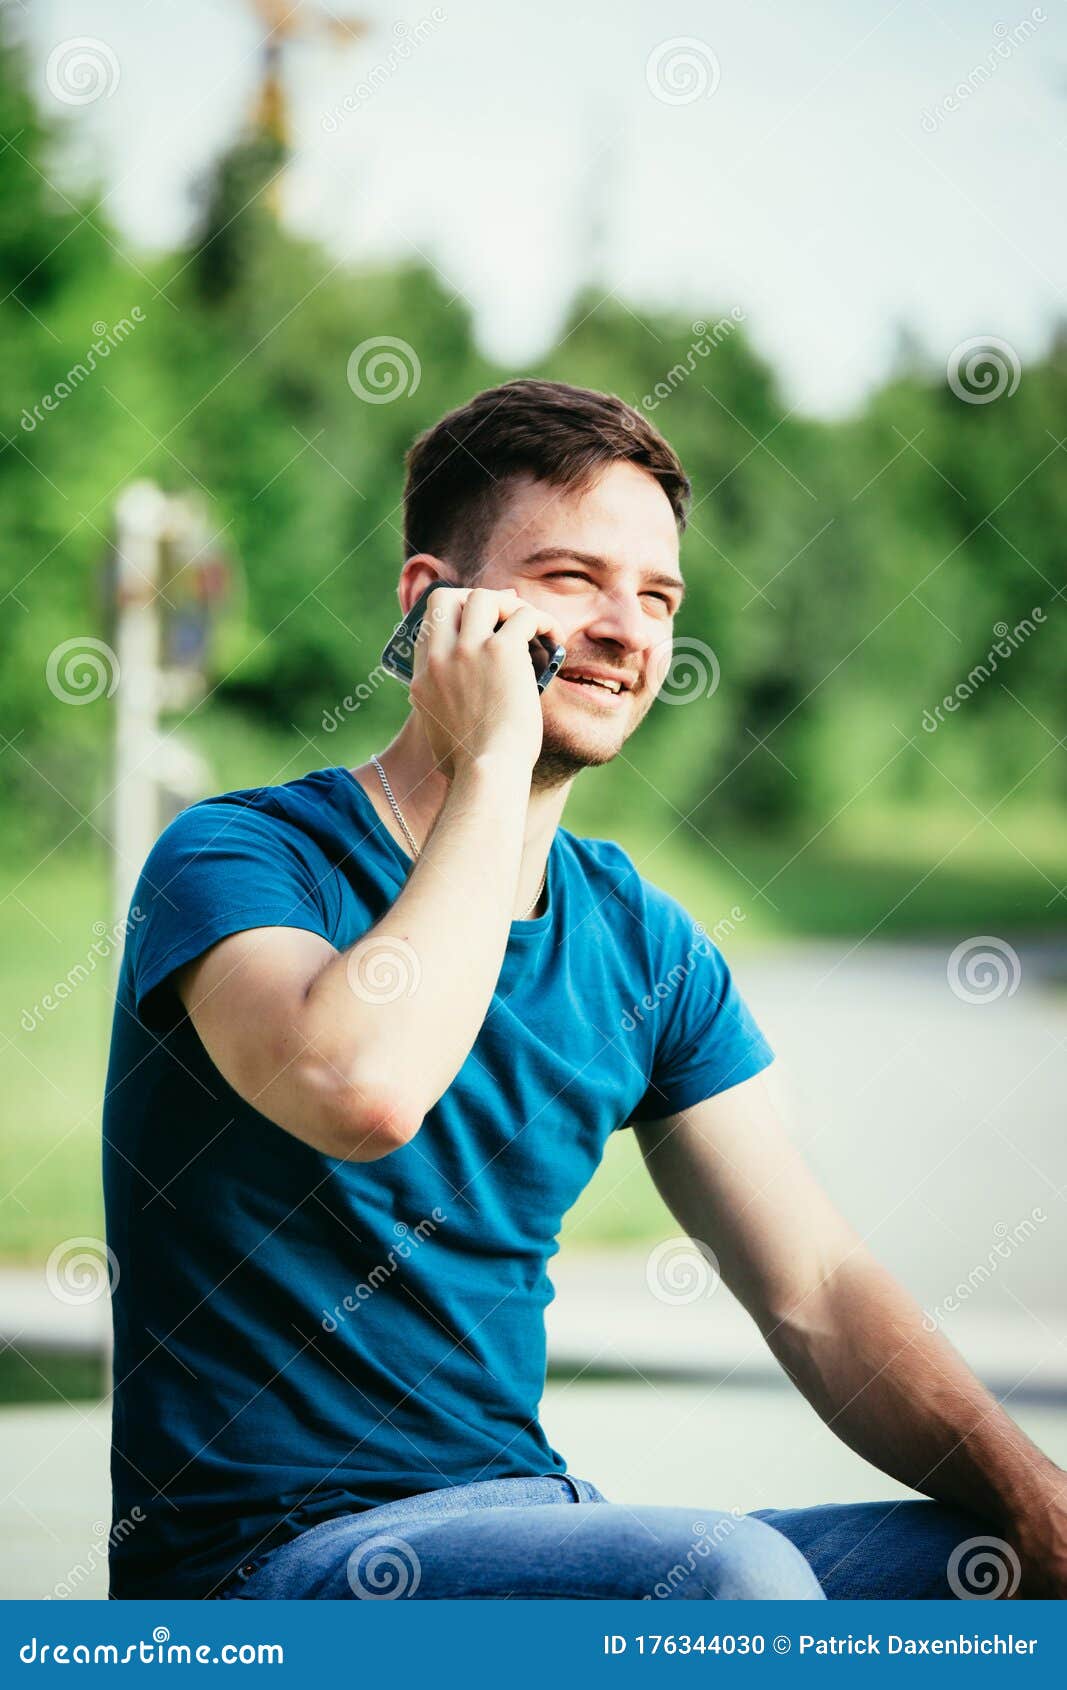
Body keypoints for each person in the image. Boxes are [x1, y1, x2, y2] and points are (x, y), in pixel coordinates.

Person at [102, 379, 1066, 1601]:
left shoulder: (641, 946)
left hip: (531, 1519)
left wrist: (1033, 1496)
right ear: (429, 605)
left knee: (989, 1572)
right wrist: (492, 755)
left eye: (656, 596)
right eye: (570, 578)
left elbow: (813, 1286)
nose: (628, 629)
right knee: (736, 1580)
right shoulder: (239, 859)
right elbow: (362, 1087)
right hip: (263, 1571)